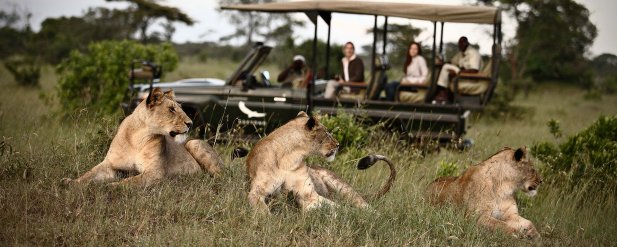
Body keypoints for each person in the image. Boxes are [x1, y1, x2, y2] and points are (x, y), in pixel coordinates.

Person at [433, 36, 482, 102]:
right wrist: (442, 62)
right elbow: (452, 62)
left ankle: (442, 92)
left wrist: (459, 73)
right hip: (462, 74)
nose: (460, 45)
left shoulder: (473, 53)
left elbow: (474, 70)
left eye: (462, 43)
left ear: (467, 43)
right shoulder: (461, 53)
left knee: (446, 67)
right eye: (459, 43)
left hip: (470, 77)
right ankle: (443, 93)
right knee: (446, 67)